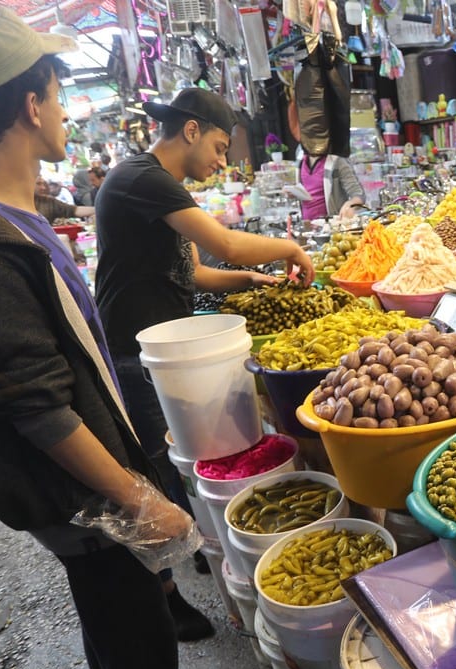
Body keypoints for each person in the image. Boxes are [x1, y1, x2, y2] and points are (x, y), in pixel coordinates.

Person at [0, 3, 263, 669]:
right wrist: (135, 493)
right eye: (60, 97)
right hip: (75, 492)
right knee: (134, 629)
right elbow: (35, 406)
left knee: (115, 618)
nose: (65, 112)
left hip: (83, 480)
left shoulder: (5, 220)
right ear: (31, 106)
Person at [93, 89, 314, 632]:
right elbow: (227, 244)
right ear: (190, 130)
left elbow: (198, 272)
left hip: (170, 346)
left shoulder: (161, 188)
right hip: (137, 352)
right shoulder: (140, 178)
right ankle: (165, 599)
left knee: (182, 462)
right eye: (219, 145)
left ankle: (199, 545)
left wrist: (250, 281)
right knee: (154, 469)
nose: (222, 159)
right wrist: (288, 250)